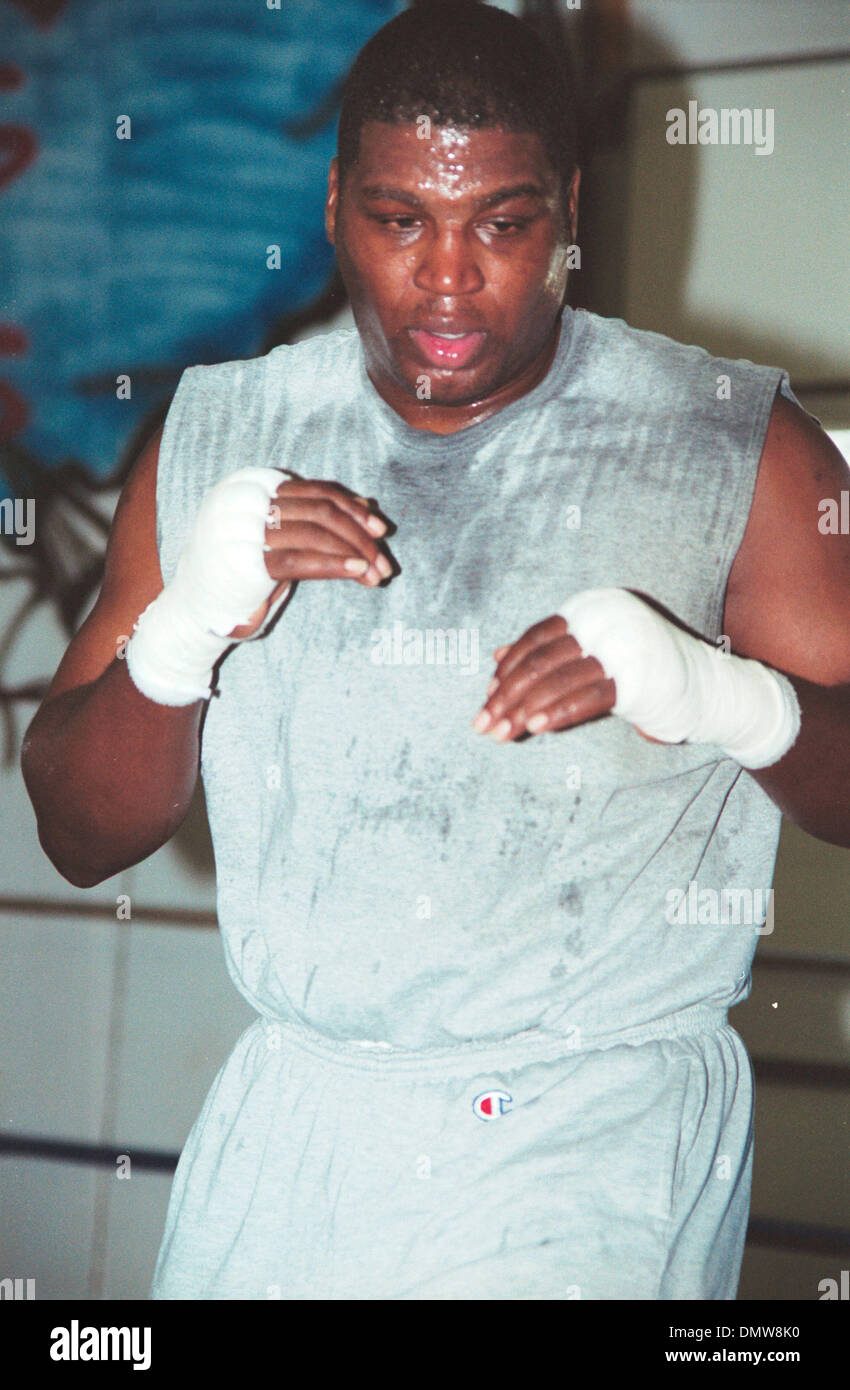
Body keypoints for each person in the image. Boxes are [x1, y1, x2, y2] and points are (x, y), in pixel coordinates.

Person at [21, 1, 850, 1301]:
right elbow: (78, 834)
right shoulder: (219, 436)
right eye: (400, 220)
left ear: (568, 209)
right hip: (300, 1124)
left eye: (502, 224)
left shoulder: (730, 446)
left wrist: (723, 696)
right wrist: (183, 632)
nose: (450, 277)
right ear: (337, 200)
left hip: (595, 1140)